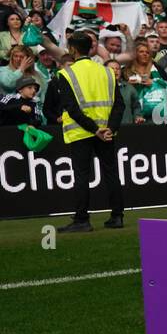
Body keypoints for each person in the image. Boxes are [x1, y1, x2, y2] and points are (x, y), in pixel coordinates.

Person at [42, 30, 125, 232]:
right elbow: (119, 105)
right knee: (111, 173)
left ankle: (82, 219)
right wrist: (109, 129)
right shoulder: (107, 71)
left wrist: (94, 129)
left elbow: (72, 108)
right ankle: (117, 216)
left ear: (71, 49)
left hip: (81, 132)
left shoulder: (66, 74)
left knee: (81, 176)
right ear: (91, 48)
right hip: (106, 132)